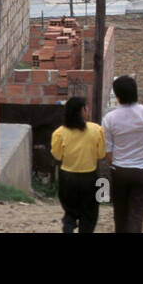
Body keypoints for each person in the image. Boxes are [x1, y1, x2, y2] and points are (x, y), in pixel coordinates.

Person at [102, 76, 143, 234]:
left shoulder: (110, 118)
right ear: (136, 93)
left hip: (120, 171)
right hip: (142, 170)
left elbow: (107, 150)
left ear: (117, 96)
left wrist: (113, 165)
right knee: (136, 215)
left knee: (120, 213)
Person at [50, 96, 105, 234]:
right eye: (86, 108)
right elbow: (101, 154)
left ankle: (68, 227)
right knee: (90, 213)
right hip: (90, 178)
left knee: (70, 210)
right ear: (82, 110)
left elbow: (57, 155)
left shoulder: (59, 133)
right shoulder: (96, 130)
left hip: (67, 178)